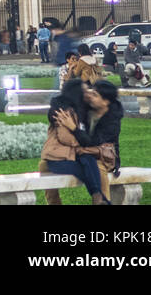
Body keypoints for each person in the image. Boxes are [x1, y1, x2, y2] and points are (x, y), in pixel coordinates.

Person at [39, 77, 89, 205]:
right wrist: (84, 142)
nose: (88, 93)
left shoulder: (80, 110)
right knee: (91, 172)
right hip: (57, 157)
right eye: (85, 91)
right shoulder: (64, 111)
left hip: (59, 157)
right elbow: (65, 137)